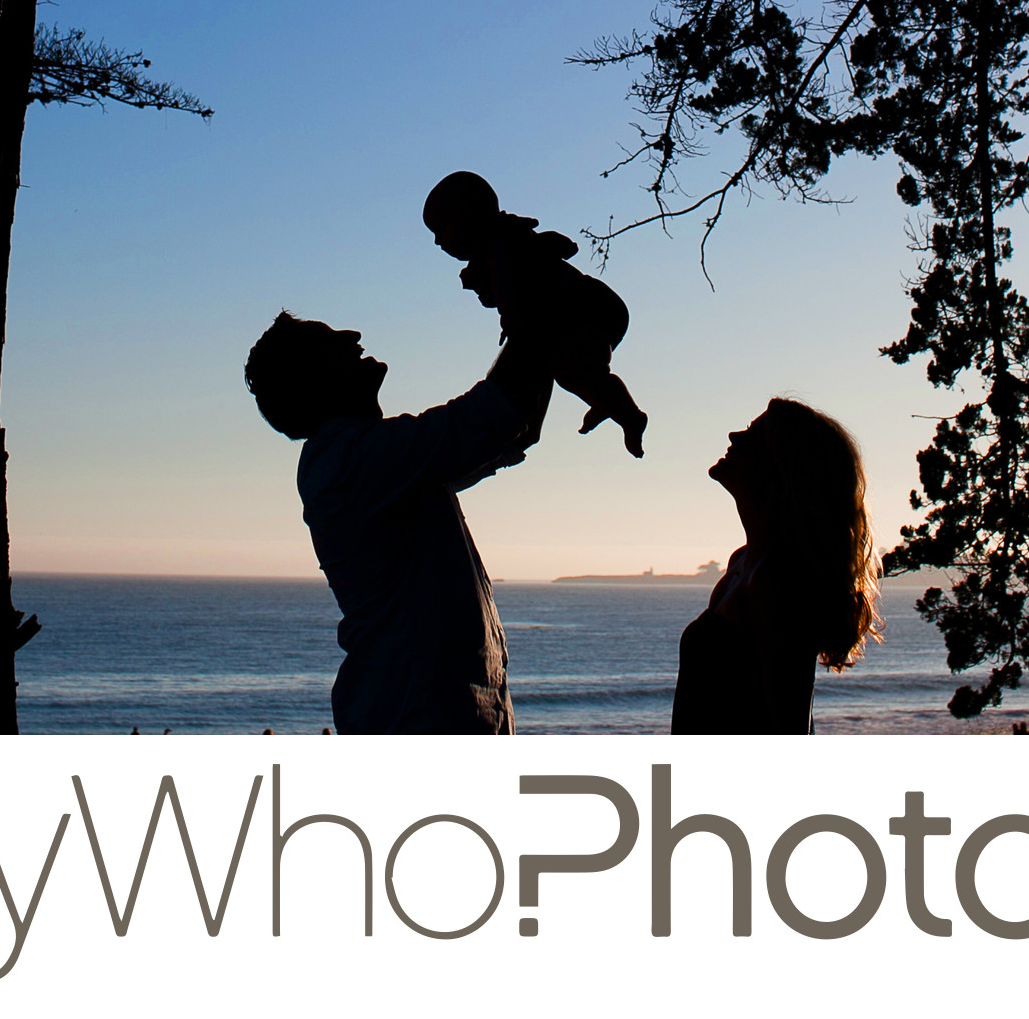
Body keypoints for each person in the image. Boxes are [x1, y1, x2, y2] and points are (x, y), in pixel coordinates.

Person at [244, 310, 554, 733]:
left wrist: (535, 325)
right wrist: (535, 307)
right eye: (328, 339)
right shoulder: (349, 460)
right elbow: (493, 414)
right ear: (313, 379)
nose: (351, 334)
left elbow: (515, 428)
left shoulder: (379, 464)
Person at [670, 399, 880, 733]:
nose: (733, 436)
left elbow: (790, 728)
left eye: (753, 436)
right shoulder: (742, 563)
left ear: (779, 469)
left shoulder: (777, 579)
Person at [422, 170, 648, 457]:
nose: (437, 241)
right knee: (554, 362)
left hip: (586, 307)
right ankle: (601, 402)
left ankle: (629, 415)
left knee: (569, 367)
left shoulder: (502, 248)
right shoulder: (501, 247)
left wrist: (512, 323)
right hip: (577, 311)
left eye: (440, 228)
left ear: (469, 216)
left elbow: (514, 307)